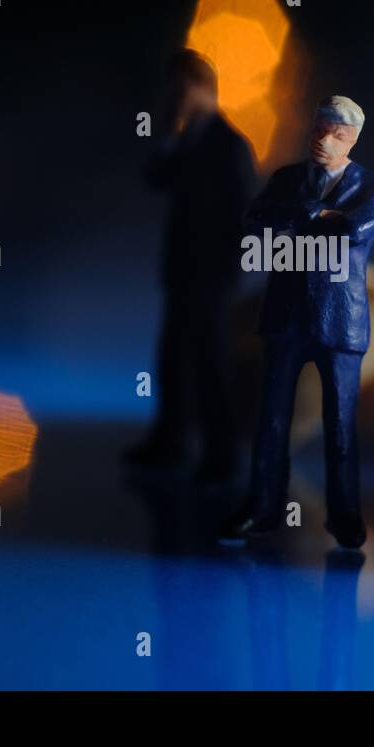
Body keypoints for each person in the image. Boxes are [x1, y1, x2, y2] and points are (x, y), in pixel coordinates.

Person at [224, 96, 374, 548]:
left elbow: (354, 231)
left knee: (341, 425)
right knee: (271, 420)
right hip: (285, 317)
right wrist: (315, 213)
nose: (324, 141)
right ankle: (262, 507)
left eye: (337, 135)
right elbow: (255, 221)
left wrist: (298, 220)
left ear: (353, 141)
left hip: (340, 323)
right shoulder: (286, 179)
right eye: (320, 129)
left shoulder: (372, 186)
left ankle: (345, 515)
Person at [124, 49, 257, 482]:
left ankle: (221, 458)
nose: (175, 97)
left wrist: (228, 271)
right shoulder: (188, 140)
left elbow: (244, 214)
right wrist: (166, 134)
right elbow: (155, 178)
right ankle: (172, 444)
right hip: (182, 270)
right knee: (173, 357)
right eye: (173, 89)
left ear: (203, 89)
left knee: (210, 363)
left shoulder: (229, 144)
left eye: (182, 89)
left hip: (212, 275)